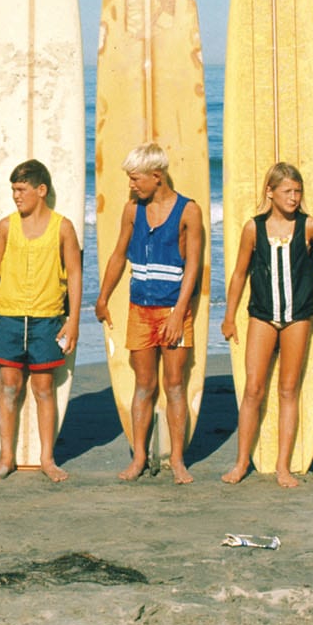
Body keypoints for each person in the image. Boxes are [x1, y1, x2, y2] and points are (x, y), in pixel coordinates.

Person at [220, 162, 313, 488]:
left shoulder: (310, 227)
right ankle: (241, 462)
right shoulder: (254, 228)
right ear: (270, 192)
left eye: (298, 191)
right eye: (287, 191)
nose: (293, 197)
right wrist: (229, 316)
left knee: (289, 390)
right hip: (262, 314)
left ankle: (283, 467)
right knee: (253, 389)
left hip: (297, 317)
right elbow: (238, 274)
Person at [94, 143, 205, 484]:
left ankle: (178, 460)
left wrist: (178, 314)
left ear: (157, 177)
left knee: (174, 384)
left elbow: (194, 268)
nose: (131, 185)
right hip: (140, 308)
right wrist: (103, 296)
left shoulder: (189, 211)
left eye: (135, 178)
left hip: (174, 309)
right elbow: (117, 256)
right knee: (144, 384)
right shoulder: (132, 210)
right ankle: (139, 456)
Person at [0, 159, 82, 483]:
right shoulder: (7, 226)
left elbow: (74, 274)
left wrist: (73, 321)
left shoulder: (63, 227)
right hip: (8, 316)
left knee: (44, 388)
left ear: (40, 190)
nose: (16, 196)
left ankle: (47, 459)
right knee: (9, 386)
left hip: (47, 318)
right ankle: (6, 457)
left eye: (21, 189)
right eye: (13, 190)